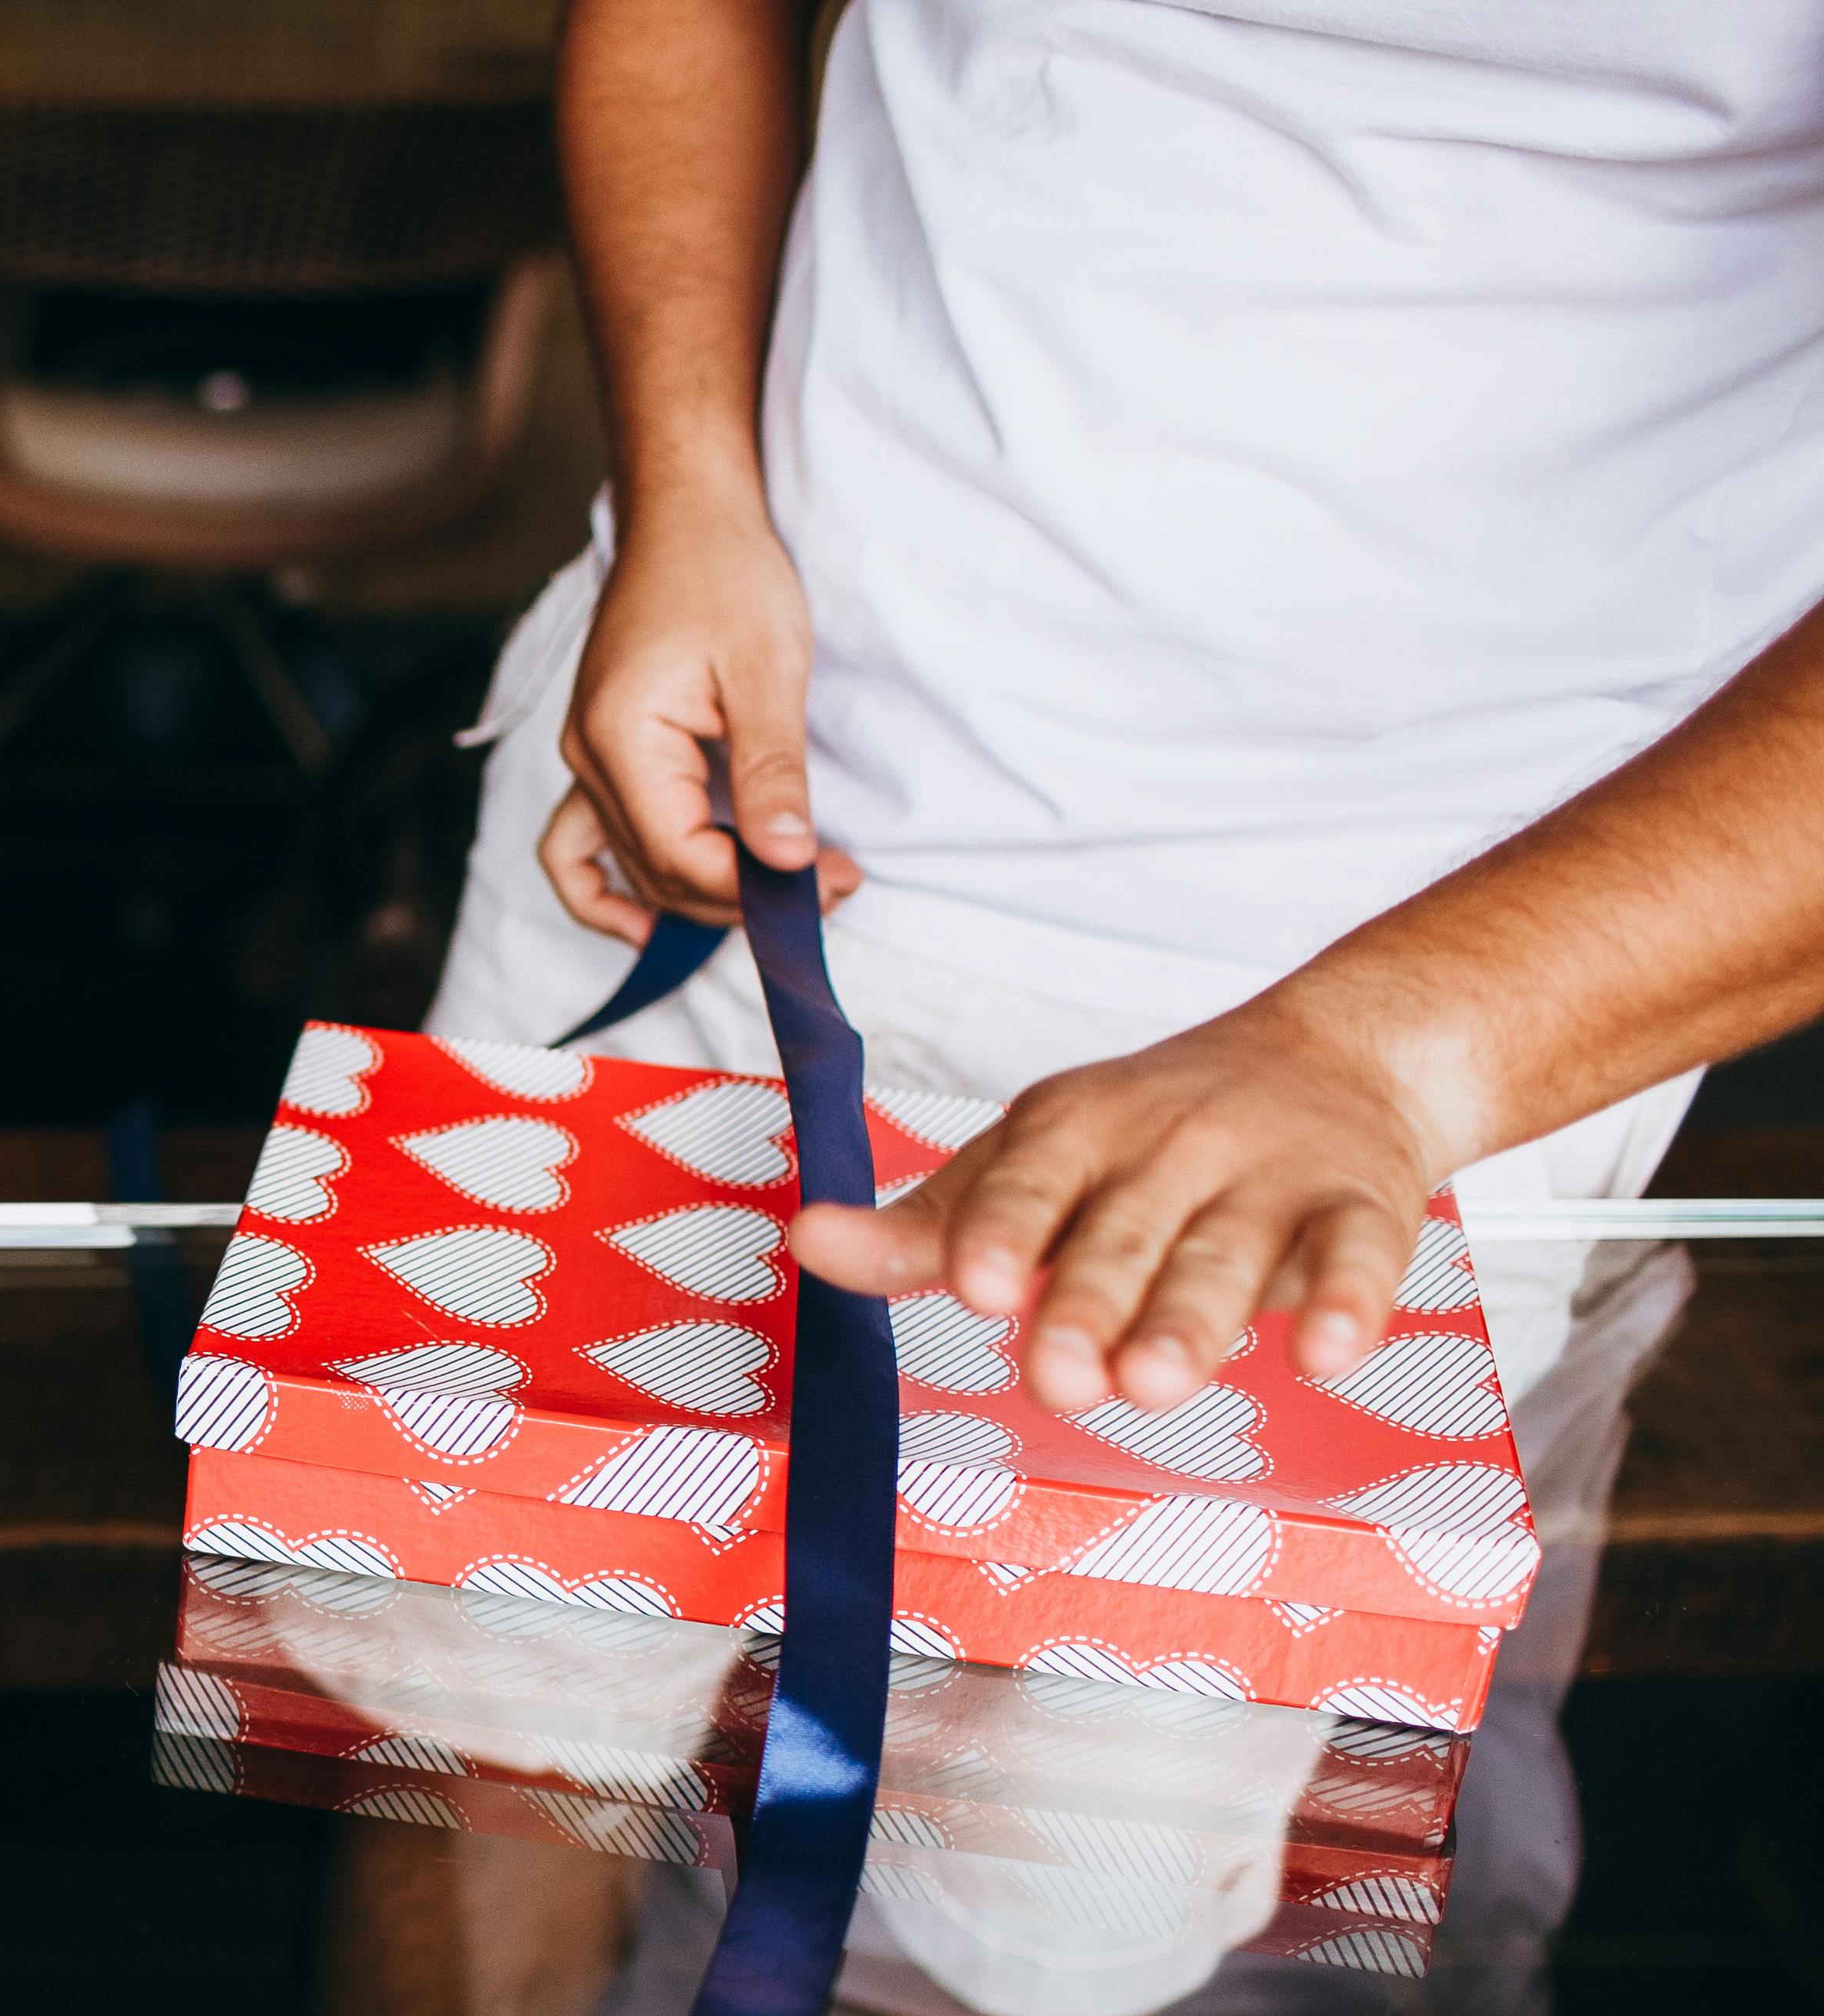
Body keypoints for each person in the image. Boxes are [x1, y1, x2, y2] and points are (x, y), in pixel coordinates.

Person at [436, 0, 1824, 1410]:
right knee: (417, 1598)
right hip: (725, 781)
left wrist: (1392, 1066)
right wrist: (689, 493)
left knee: (1184, 1624)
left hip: (1457, 975)